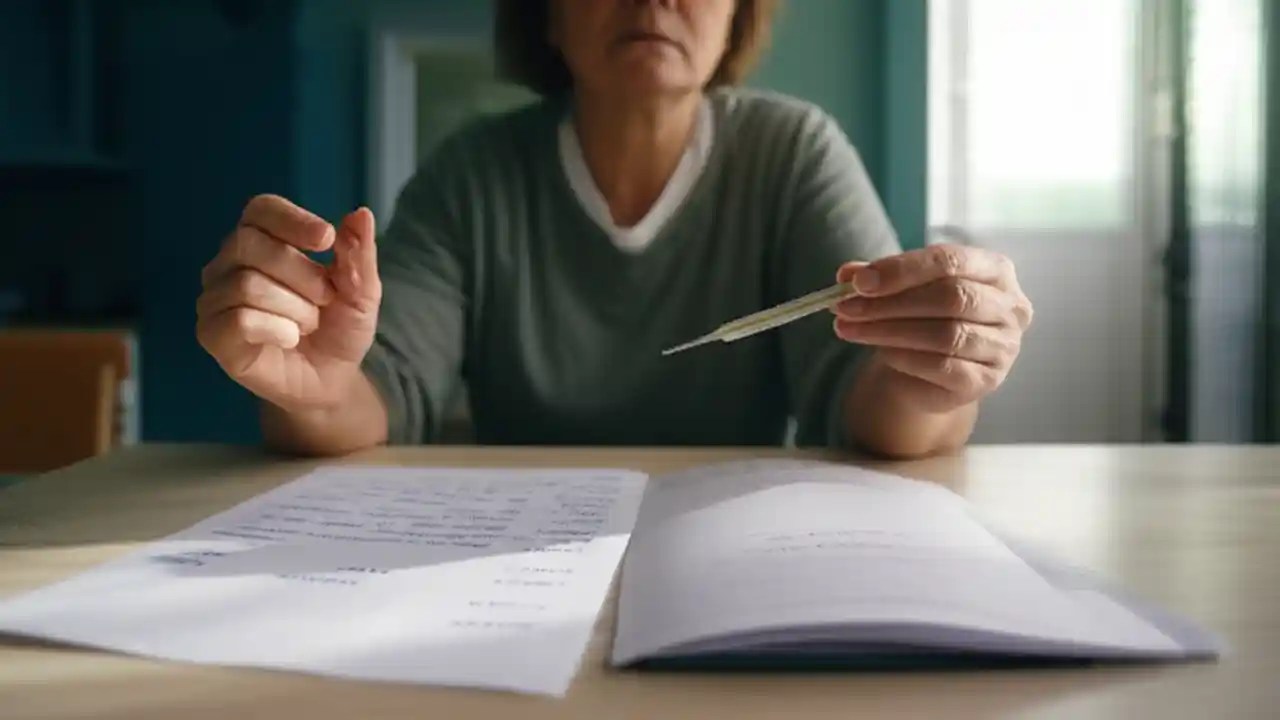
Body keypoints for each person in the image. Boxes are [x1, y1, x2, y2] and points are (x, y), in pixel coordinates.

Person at [196, 0, 1032, 459]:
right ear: (548, 15)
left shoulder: (794, 153)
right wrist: (316, 385)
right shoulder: (474, 174)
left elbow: (870, 406)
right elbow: (376, 397)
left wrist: (935, 379)